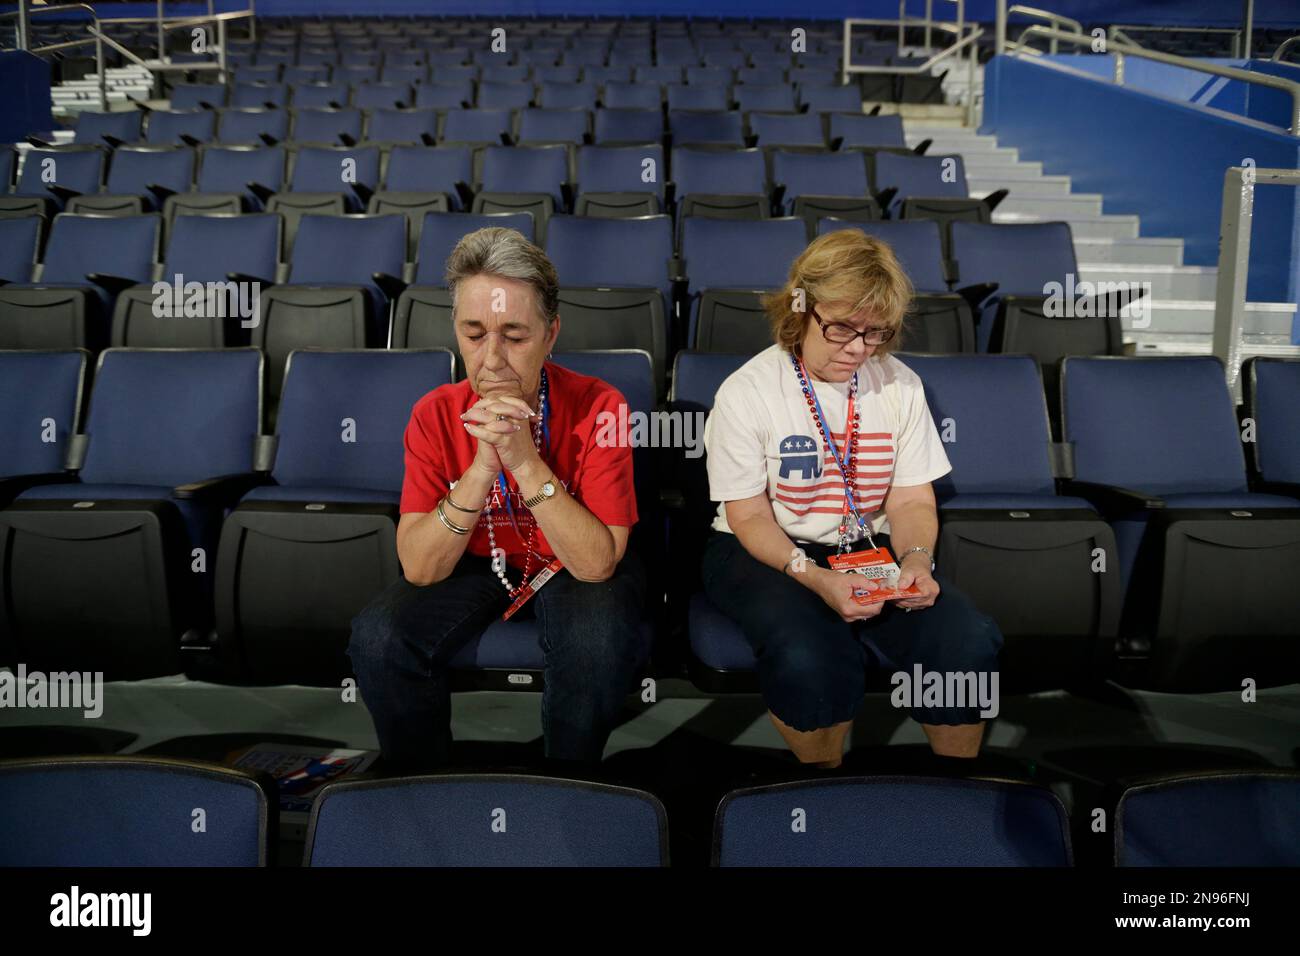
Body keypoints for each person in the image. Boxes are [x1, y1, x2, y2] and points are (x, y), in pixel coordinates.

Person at [701, 229, 1003, 768]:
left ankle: (962, 784)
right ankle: (824, 785)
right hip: (766, 549)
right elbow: (747, 515)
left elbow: (911, 501)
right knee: (810, 655)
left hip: (865, 545)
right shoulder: (747, 392)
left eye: (876, 333)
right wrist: (815, 577)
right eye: (841, 328)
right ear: (801, 307)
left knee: (966, 641)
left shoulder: (899, 385)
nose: (859, 348)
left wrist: (916, 562)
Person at [349, 227, 646, 771]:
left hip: (569, 562)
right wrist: (483, 467)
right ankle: (421, 788)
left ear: (551, 333)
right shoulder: (434, 412)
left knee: (596, 638)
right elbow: (418, 567)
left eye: (514, 334)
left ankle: (570, 785)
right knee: (378, 637)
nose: (491, 359)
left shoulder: (602, 405)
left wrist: (523, 459)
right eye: (474, 332)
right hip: (478, 563)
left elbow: (598, 561)